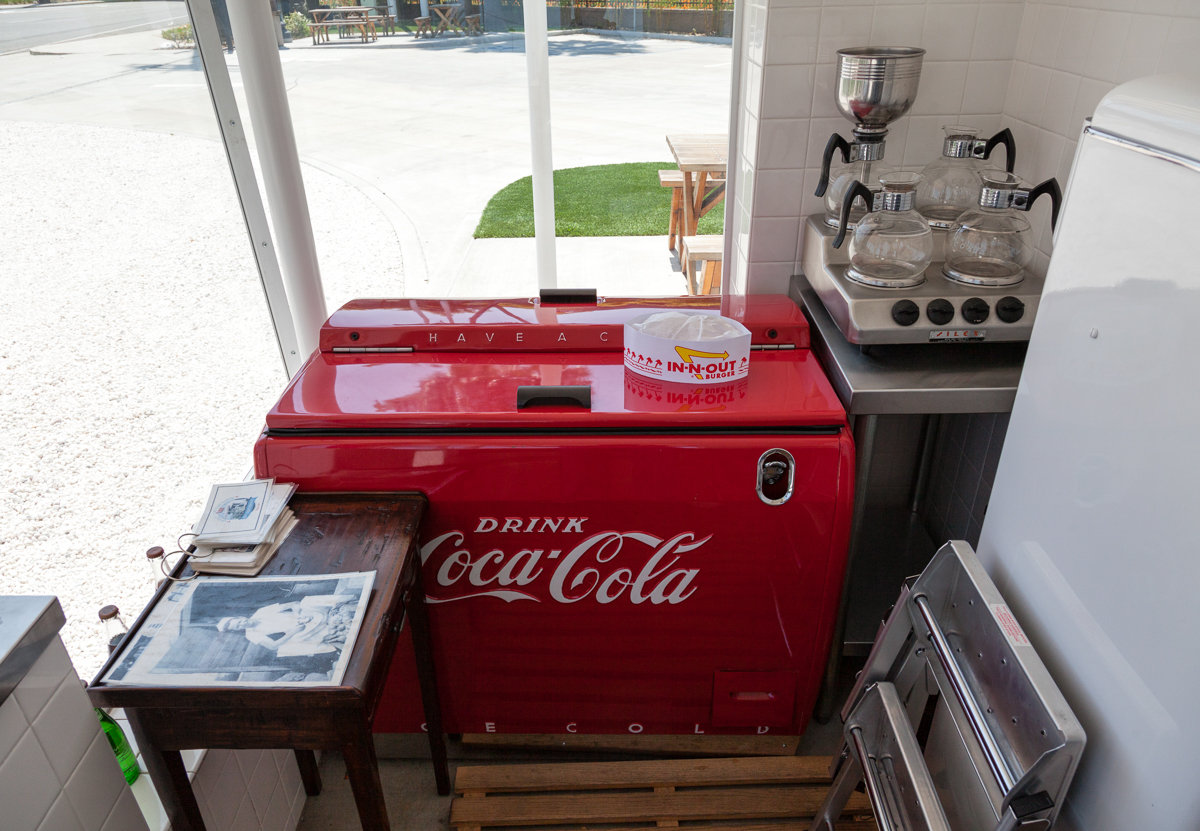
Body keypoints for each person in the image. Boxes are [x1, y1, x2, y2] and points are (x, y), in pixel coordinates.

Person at [218, 594, 356, 657]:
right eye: (238, 627)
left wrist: (298, 615)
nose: (242, 624)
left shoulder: (261, 612)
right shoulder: (251, 634)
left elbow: (294, 604)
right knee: (286, 648)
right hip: (301, 630)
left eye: (239, 621)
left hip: (306, 615)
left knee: (306, 601)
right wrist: (291, 633)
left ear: (241, 617)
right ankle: (333, 641)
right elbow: (272, 646)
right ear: (238, 630)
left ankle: (348, 599)